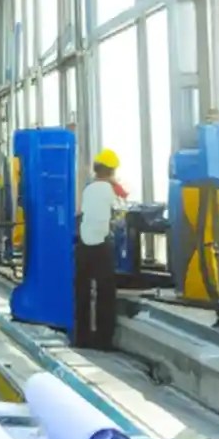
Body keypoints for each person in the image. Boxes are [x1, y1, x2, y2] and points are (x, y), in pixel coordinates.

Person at [75, 149, 125, 350]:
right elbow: (121, 215)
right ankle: (104, 340)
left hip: (83, 246)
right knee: (105, 295)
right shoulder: (110, 190)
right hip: (102, 247)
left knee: (82, 292)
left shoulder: (89, 188)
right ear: (111, 170)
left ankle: (82, 338)